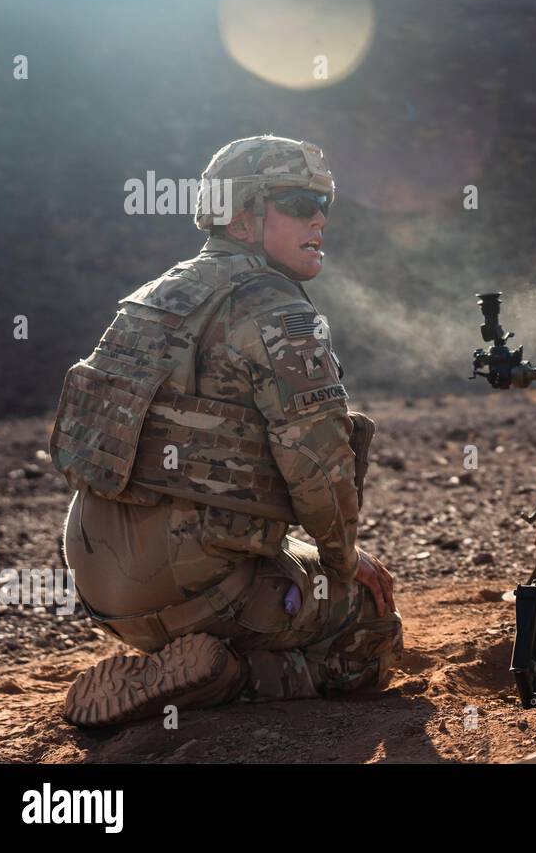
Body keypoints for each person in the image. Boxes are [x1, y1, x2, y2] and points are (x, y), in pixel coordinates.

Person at [52, 135, 402, 725]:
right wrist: (346, 564)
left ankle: (181, 660)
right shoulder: (278, 311)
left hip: (101, 584)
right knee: (371, 632)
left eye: (325, 204)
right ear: (241, 219)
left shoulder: (151, 298)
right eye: (295, 202)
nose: (319, 217)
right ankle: (230, 675)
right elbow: (318, 467)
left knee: (282, 557)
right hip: (199, 590)